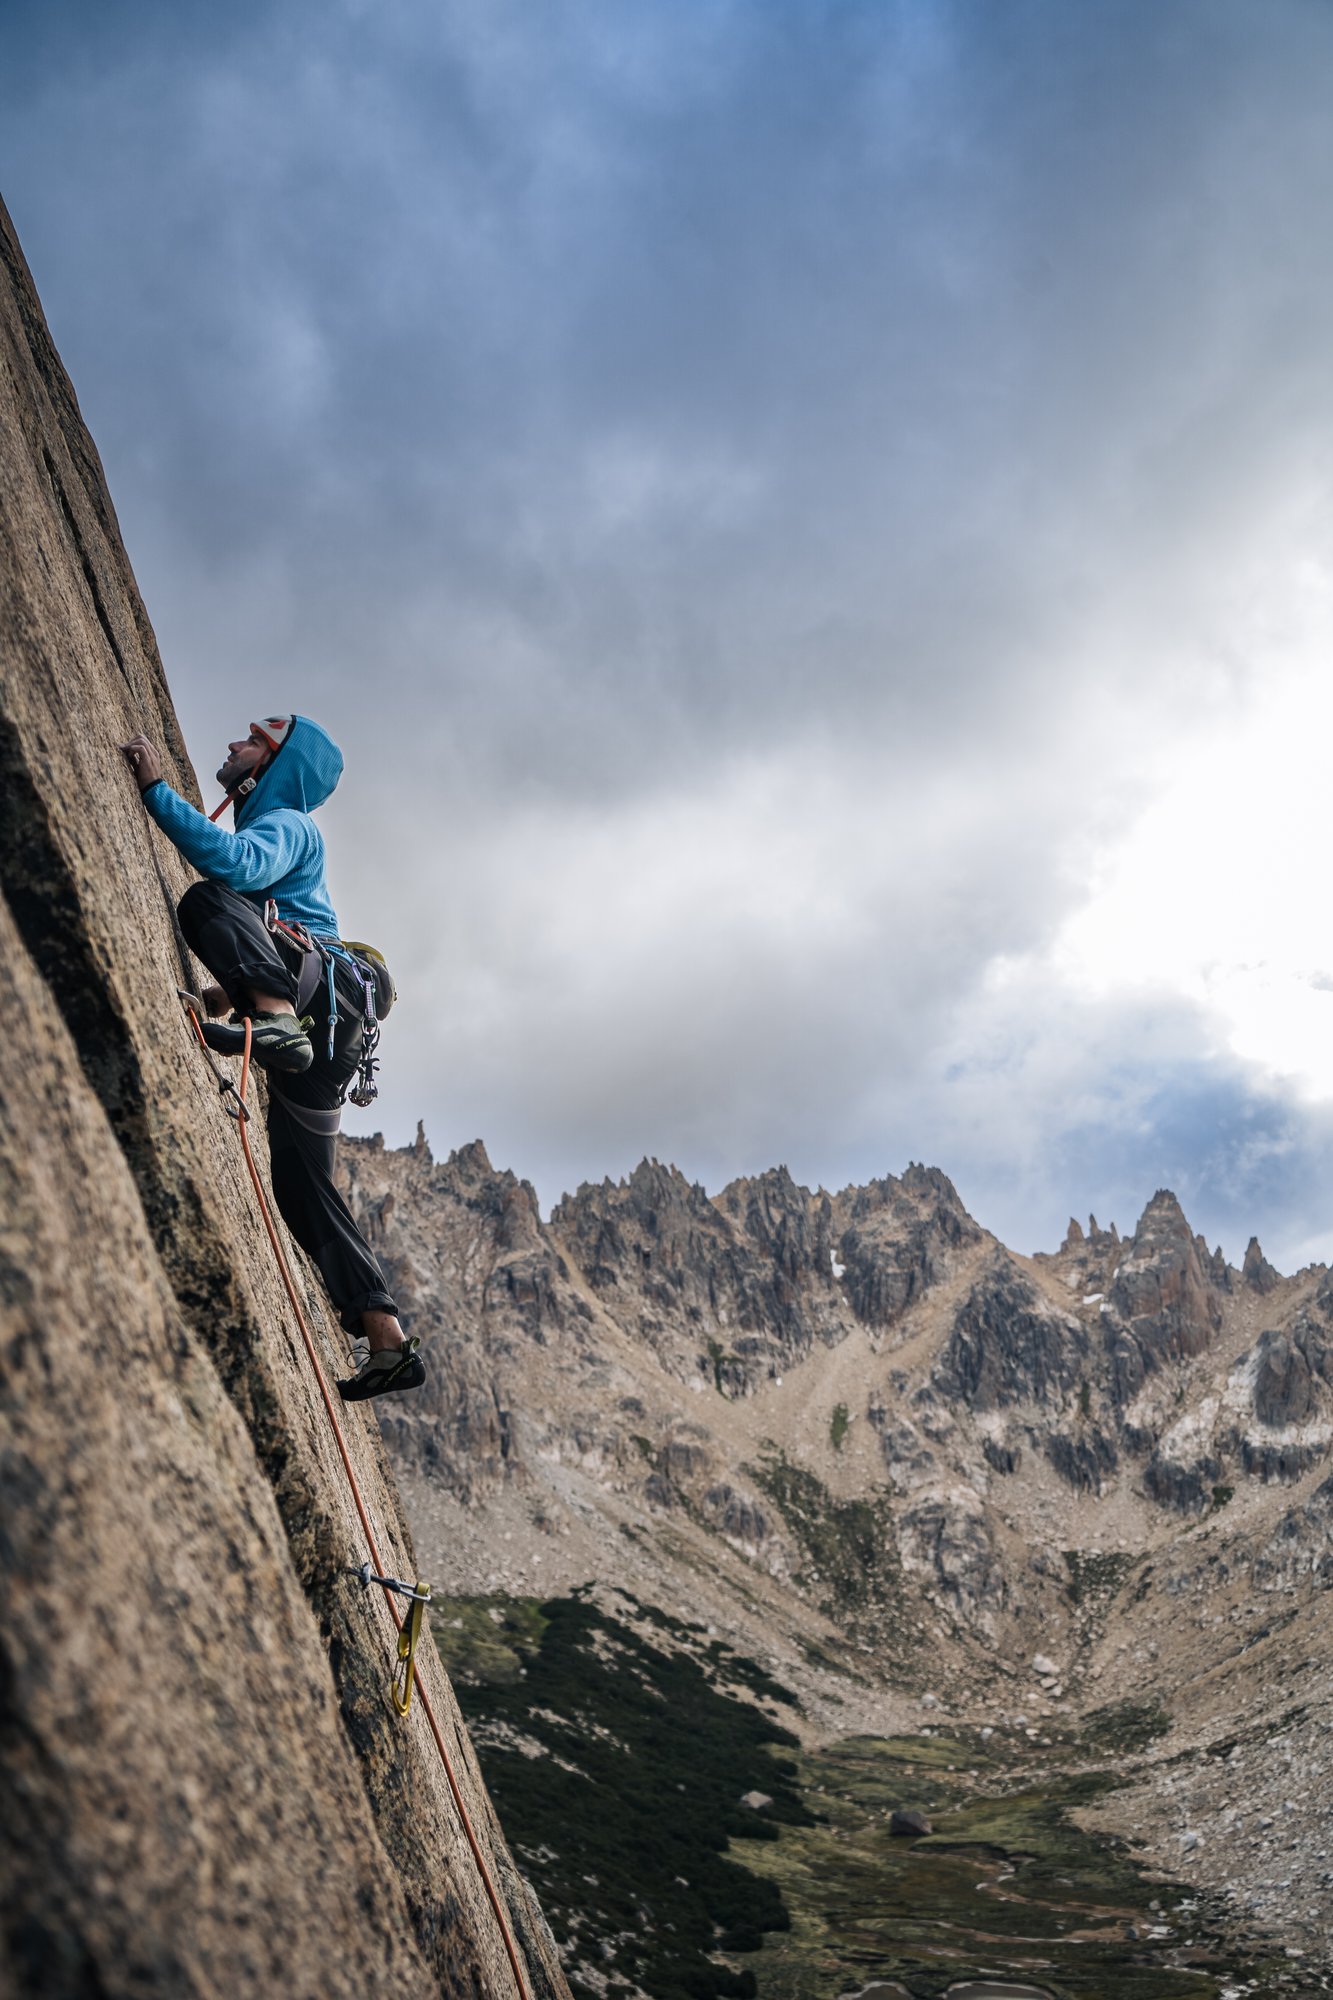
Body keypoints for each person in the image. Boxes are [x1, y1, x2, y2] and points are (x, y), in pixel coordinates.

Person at [120, 714, 426, 1403]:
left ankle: (276, 1025)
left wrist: (156, 791)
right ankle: (388, 1341)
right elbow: (264, 928)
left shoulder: (288, 821)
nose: (232, 745)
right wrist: (228, 998)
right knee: (302, 1191)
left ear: (273, 763)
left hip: (310, 1010)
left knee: (205, 898)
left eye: (250, 739)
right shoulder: (282, 827)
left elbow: (235, 871)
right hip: (333, 1036)